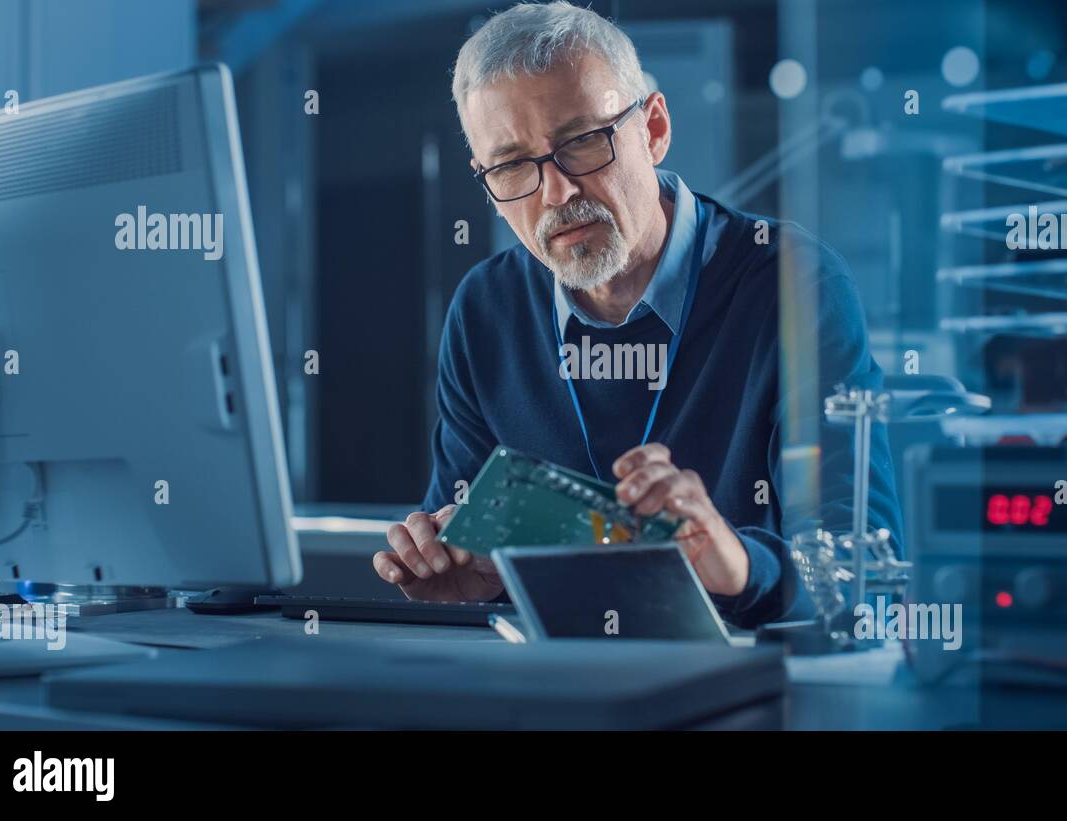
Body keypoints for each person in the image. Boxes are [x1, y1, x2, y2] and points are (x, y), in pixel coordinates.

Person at [371, 0, 901, 628]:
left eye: (583, 142)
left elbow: (859, 571)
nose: (558, 194)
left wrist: (734, 566)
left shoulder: (793, 284)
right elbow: (471, 540)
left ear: (652, 130)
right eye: (513, 165)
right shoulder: (487, 310)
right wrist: (468, 580)